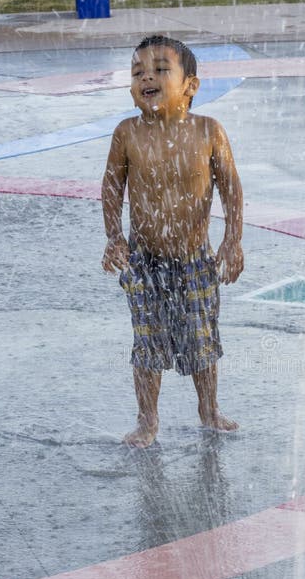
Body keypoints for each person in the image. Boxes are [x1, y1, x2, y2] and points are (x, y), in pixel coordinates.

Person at [101, 35, 244, 447]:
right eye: (138, 72)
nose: (147, 77)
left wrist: (232, 241)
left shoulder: (208, 131)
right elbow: (112, 188)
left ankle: (209, 408)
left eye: (161, 69)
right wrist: (114, 238)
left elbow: (231, 188)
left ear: (191, 85)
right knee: (146, 343)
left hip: (195, 259)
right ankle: (147, 419)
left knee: (201, 340)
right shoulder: (127, 133)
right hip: (144, 261)